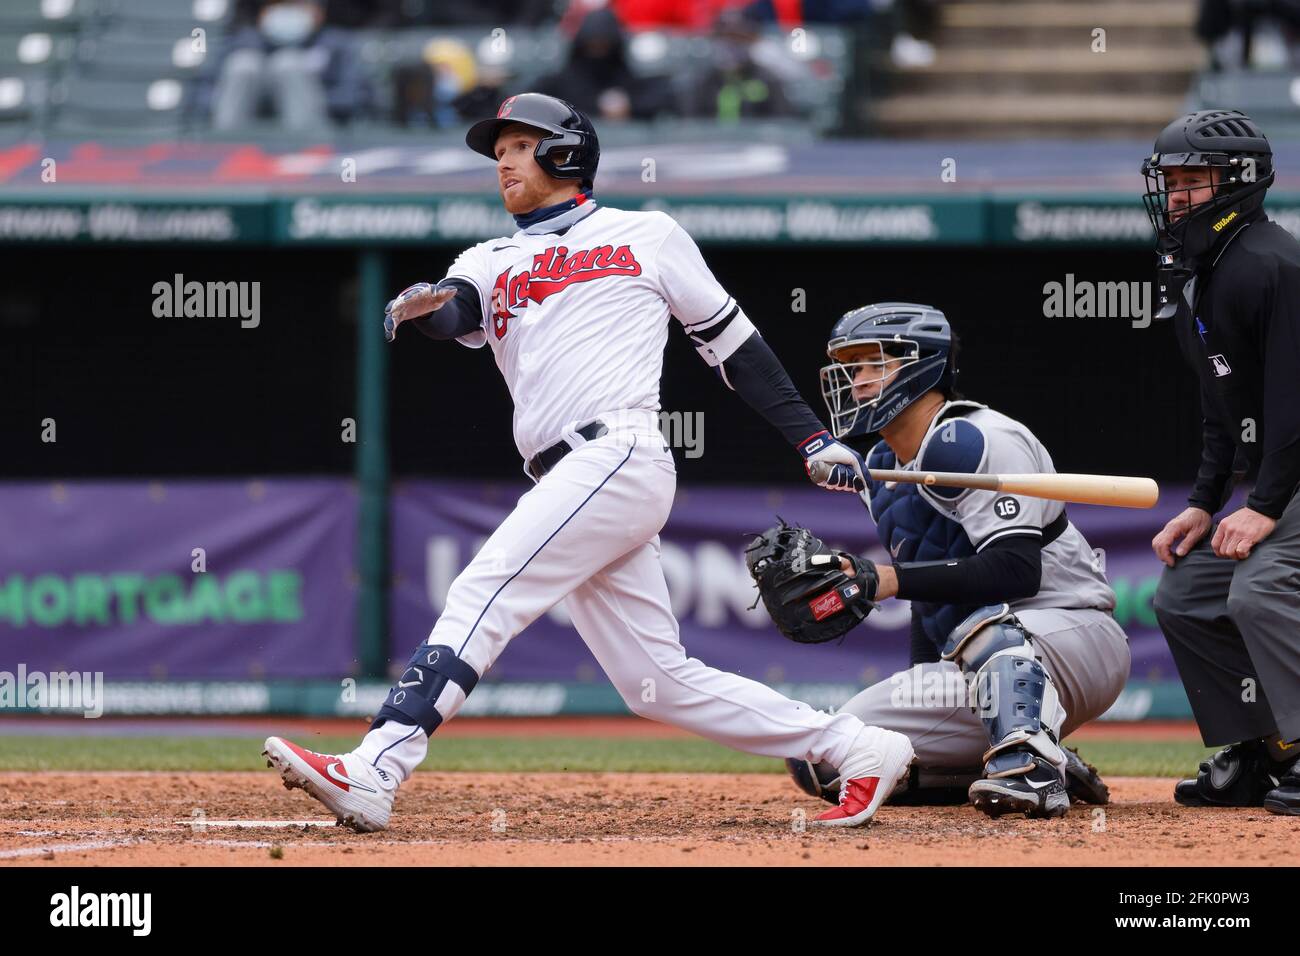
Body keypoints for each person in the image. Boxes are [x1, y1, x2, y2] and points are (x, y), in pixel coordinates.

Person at [262, 93, 914, 831]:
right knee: (655, 683)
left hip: (616, 452)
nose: (503, 160)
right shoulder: (490, 256)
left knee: (486, 589)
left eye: (518, 145)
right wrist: (430, 305)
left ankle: (377, 765)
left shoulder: (647, 235)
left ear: (565, 153)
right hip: (569, 474)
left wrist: (812, 439)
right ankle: (858, 746)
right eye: (498, 150)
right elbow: (459, 311)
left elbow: (734, 347)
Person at [783, 303, 1130, 818]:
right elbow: (935, 600)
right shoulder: (881, 465)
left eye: (872, 364)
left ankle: (1033, 771)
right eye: (851, 368)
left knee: (987, 629)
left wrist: (886, 579)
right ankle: (1029, 754)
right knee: (828, 758)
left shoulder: (977, 438)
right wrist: (924, 681)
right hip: (981, 665)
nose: (855, 382)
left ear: (920, 365)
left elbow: (1016, 570)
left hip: (1075, 638)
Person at [1143, 109, 1300, 816]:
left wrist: (1263, 507)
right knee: (1182, 594)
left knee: (1257, 591)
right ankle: (1260, 747)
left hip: (1290, 480)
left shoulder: (1273, 264)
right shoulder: (1201, 275)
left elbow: (1295, 405)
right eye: (1171, 182)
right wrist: (1205, 502)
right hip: (1279, 477)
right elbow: (1222, 413)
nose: (1176, 196)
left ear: (1237, 183)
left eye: (1193, 182)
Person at [200, 0, 372, 131]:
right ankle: (227, 144)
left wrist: (310, 96)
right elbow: (204, 93)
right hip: (238, 139)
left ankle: (301, 146)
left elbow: (352, 97)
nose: (289, 12)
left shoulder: (337, 44)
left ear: (319, 12)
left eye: (297, 5)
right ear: (263, 13)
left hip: (315, 132)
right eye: (281, 5)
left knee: (288, 64)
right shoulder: (241, 42)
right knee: (244, 65)